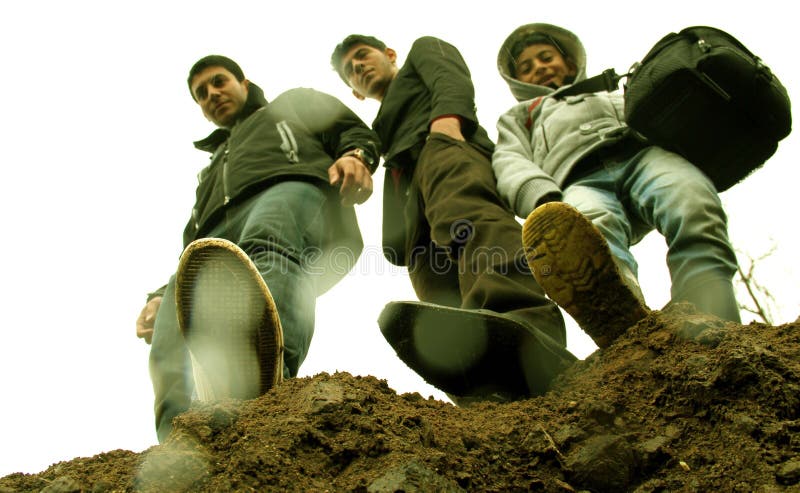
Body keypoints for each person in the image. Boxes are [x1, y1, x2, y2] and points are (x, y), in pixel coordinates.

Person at [135, 55, 380, 442]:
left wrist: (357, 155)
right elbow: (192, 238)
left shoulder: (291, 104)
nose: (212, 94)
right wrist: (161, 294)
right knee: (174, 311)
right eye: (202, 93)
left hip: (288, 187)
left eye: (219, 82)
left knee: (268, 238)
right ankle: (177, 437)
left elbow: (347, 127)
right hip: (217, 228)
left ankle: (262, 386)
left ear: (244, 84)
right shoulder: (212, 165)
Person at [330, 35, 576, 404]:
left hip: (442, 148)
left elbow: (449, 77)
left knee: (470, 221)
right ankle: (479, 381)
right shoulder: (379, 126)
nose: (358, 67)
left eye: (362, 56)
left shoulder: (422, 50)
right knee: (432, 276)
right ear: (355, 92)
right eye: (350, 70)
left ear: (390, 54)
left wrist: (447, 125)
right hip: (410, 196)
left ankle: (524, 326)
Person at [493, 23, 741, 348]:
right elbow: (509, 159)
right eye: (526, 66)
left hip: (643, 157)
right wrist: (544, 198)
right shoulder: (521, 115)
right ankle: (624, 321)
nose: (539, 67)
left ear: (570, 63)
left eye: (546, 57)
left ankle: (711, 310)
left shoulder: (613, 90)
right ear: (517, 80)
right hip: (577, 181)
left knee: (691, 199)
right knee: (589, 236)